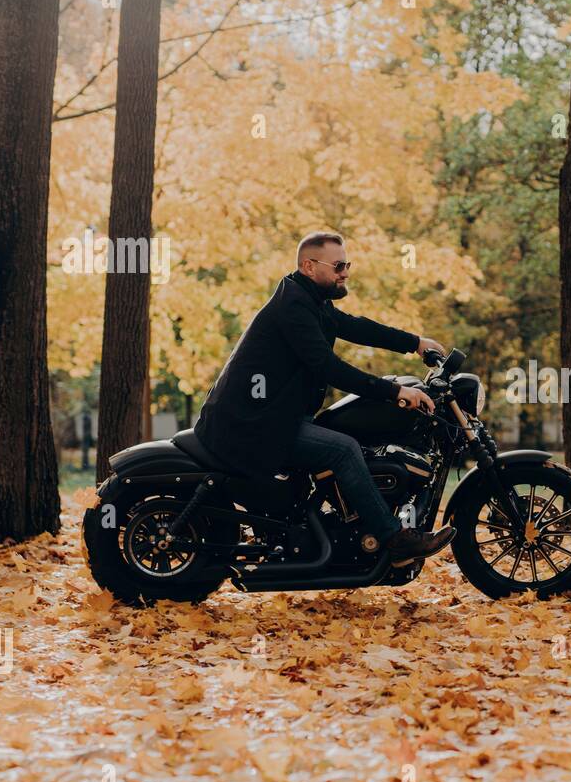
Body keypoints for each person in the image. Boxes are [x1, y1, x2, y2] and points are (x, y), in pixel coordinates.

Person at [194, 231, 455, 563]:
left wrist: (415, 342)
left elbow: (356, 327)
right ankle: (393, 541)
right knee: (343, 450)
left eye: (347, 264)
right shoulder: (293, 307)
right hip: (254, 425)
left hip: (272, 418)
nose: (345, 271)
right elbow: (329, 367)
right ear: (308, 265)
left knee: (348, 437)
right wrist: (395, 392)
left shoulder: (309, 301)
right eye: (339, 265)